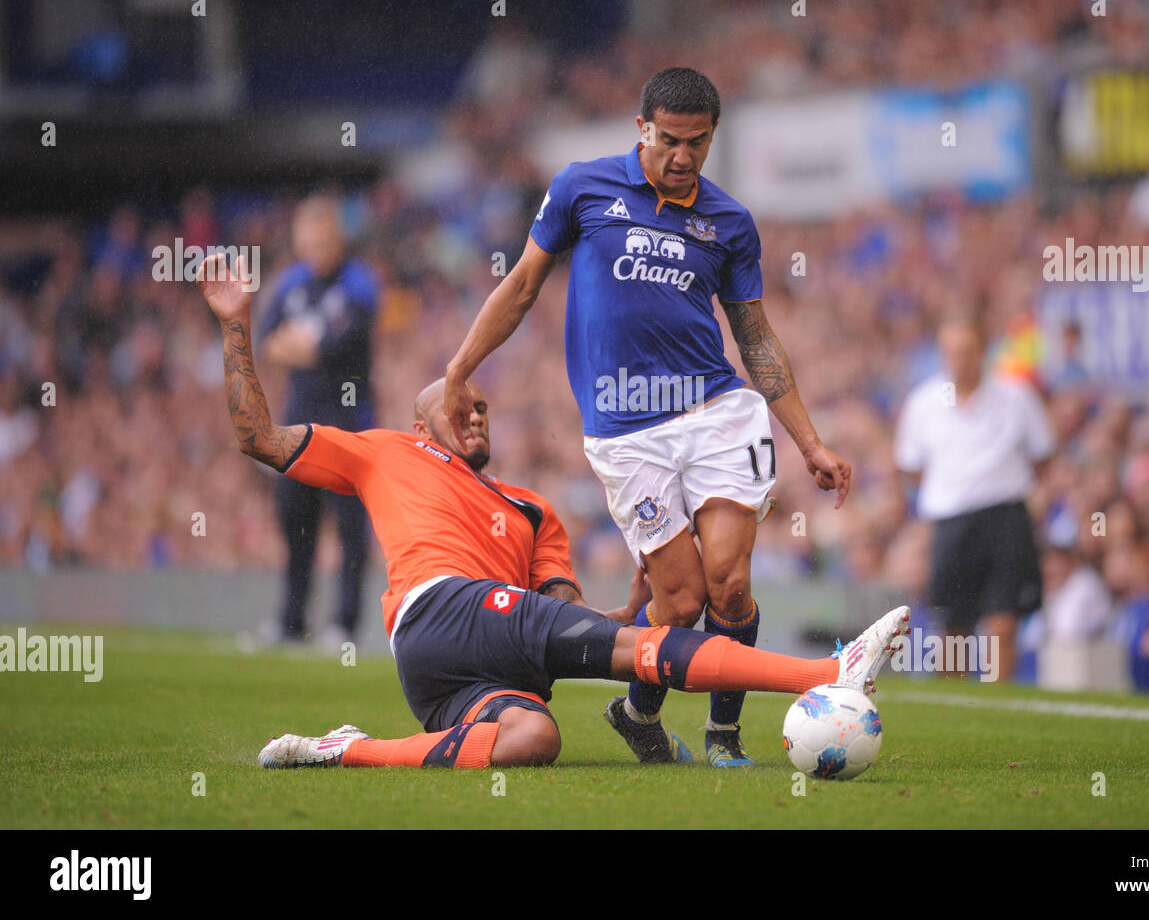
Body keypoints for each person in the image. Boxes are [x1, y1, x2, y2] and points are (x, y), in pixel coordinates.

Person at [195, 253, 909, 770]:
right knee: (636, 653)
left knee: (533, 739)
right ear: (422, 426)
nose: (473, 413)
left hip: (468, 669)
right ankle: (827, 668)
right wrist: (236, 326)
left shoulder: (533, 510)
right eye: (457, 406)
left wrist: (632, 606)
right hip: (438, 611)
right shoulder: (384, 451)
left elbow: (575, 624)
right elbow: (257, 437)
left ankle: (346, 749)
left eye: (480, 406)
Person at [442, 67, 853, 767]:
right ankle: (638, 714)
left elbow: (754, 337)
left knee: (729, 581)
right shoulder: (582, 188)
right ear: (642, 129)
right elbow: (520, 285)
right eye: (669, 139)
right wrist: (458, 370)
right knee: (683, 600)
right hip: (626, 430)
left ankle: (724, 735)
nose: (683, 155)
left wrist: (808, 440)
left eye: (697, 142)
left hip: (718, 410)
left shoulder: (729, 222)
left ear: (713, 136)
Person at [894, 310, 1055, 681]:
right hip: (951, 521)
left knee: (1005, 619)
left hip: (1006, 516)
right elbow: (908, 466)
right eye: (951, 352)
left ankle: (1000, 703)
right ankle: (956, 704)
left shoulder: (1016, 396)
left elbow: (1043, 456)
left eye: (967, 350)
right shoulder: (924, 403)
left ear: (983, 350)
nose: (959, 360)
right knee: (953, 624)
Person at [260, 194, 378, 649]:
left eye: (323, 238)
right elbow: (268, 343)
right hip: (297, 425)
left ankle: (344, 625)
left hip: (349, 422)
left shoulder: (360, 283)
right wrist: (309, 347)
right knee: (295, 521)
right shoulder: (291, 282)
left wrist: (306, 347)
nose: (315, 248)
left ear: (337, 236)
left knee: (350, 526)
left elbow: (337, 346)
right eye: (307, 240)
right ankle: (290, 620)